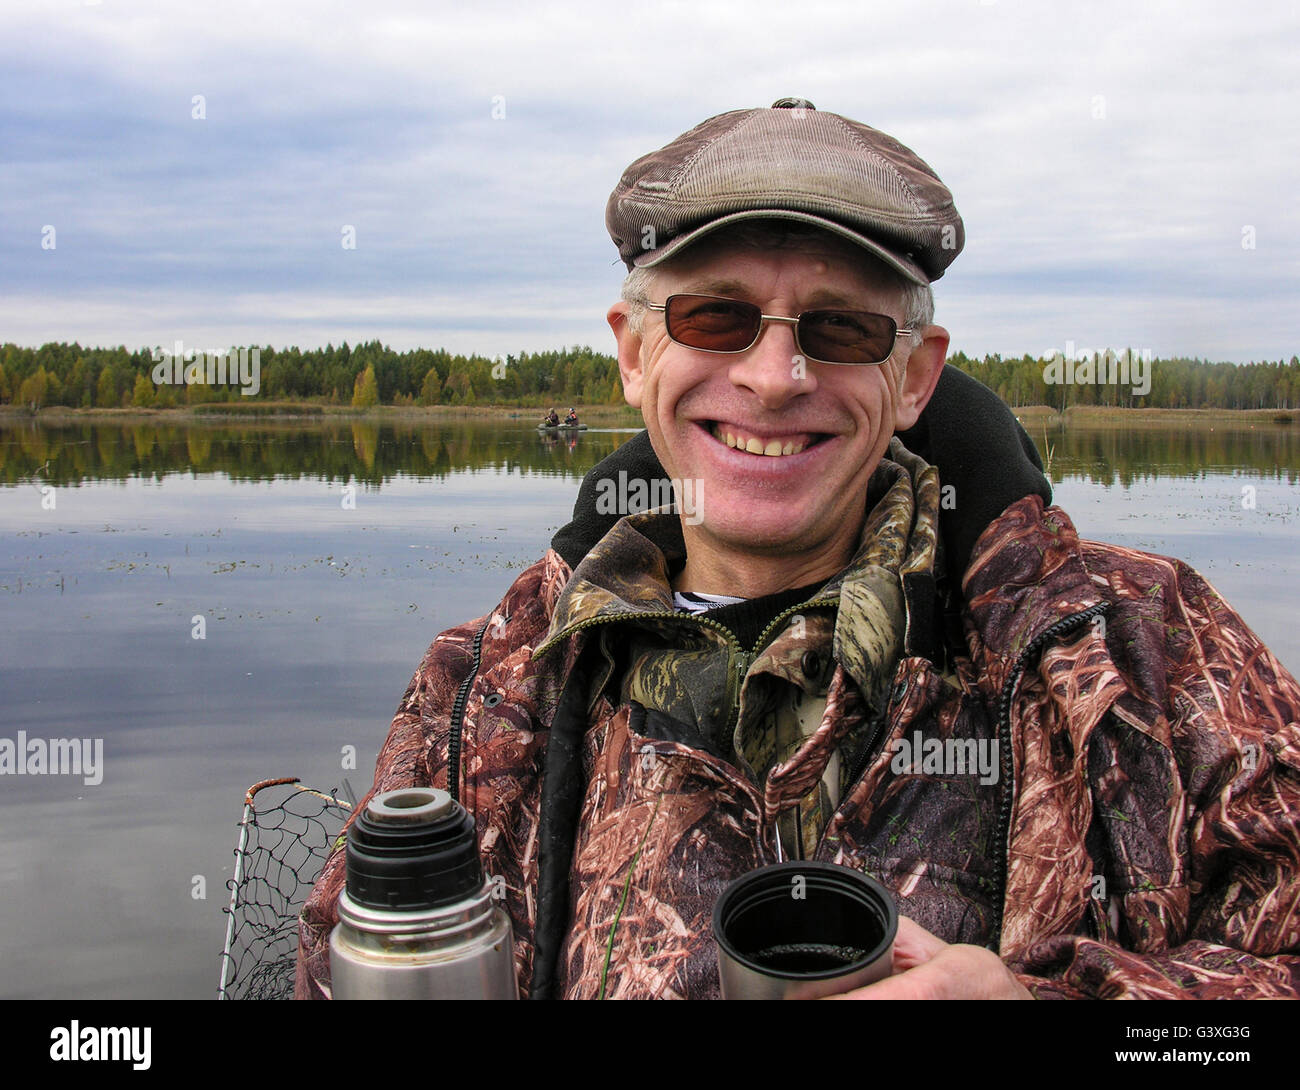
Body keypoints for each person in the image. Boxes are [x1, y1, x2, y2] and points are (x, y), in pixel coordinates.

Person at [296, 99, 1300, 1000]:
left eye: (840, 326)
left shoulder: (1150, 646)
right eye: (715, 316)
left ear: (912, 377)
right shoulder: (484, 688)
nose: (774, 376)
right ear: (636, 353)